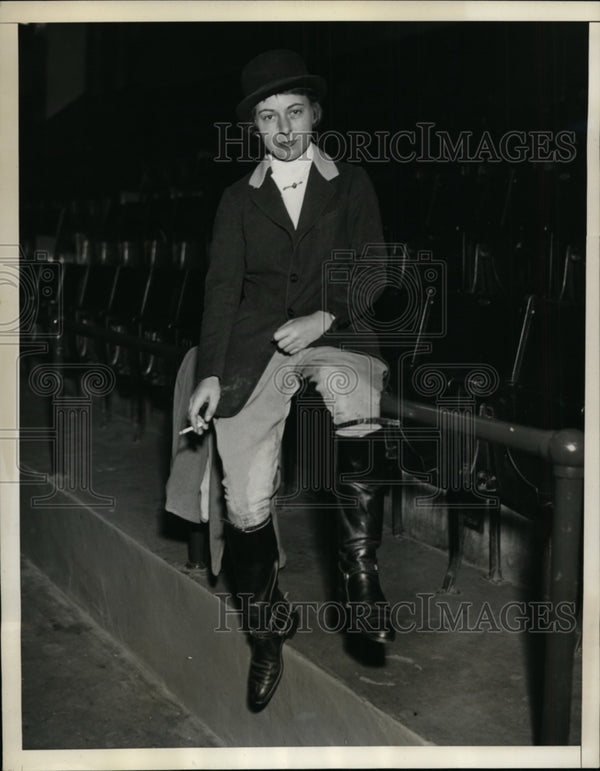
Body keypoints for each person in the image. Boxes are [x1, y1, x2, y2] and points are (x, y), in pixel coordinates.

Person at [188, 49, 394, 712]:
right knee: (244, 497)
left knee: (353, 395)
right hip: (256, 347)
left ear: (315, 116)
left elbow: (374, 269)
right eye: (268, 117)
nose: (283, 128)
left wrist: (324, 316)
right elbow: (222, 290)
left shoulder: (350, 182)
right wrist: (211, 373)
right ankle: (267, 628)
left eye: (294, 112)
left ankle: (360, 579)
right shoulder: (236, 200)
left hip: (336, 329)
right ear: (254, 127)